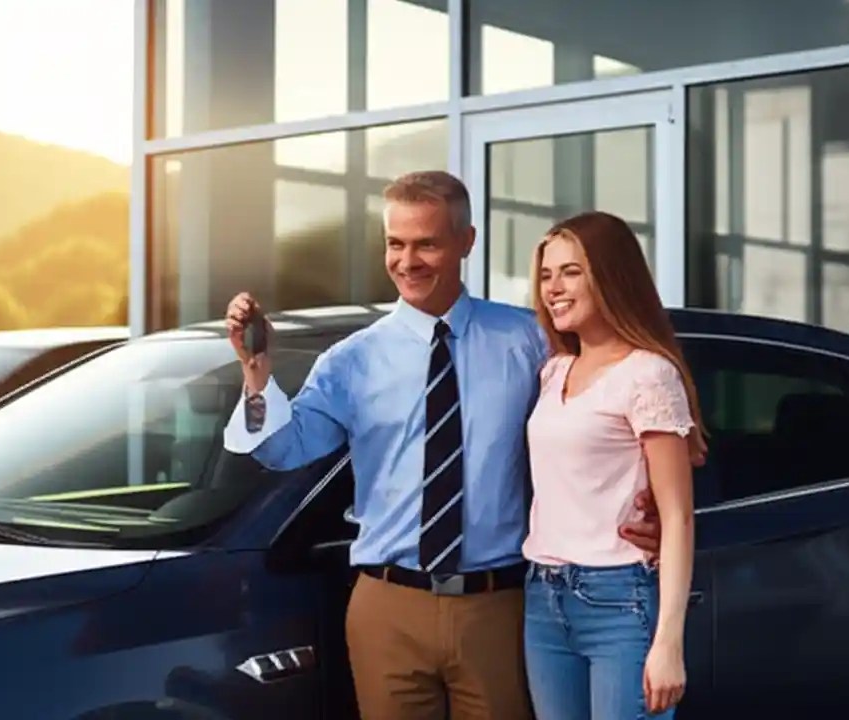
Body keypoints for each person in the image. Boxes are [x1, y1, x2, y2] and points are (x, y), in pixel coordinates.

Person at [221, 170, 663, 720]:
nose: (408, 261)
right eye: (395, 244)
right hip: (387, 608)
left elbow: (608, 419)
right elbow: (283, 448)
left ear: (466, 242)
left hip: (499, 607)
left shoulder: (530, 340)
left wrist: (652, 502)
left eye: (426, 243)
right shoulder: (351, 360)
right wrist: (257, 376)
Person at [521, 211, 706, 719]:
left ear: (610, 275)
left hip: (620, 602)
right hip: (543, 598)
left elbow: (677, 517)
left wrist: (669, 640)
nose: (553, 288)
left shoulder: (648, 374)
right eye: (545, 274)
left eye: (571, 272)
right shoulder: (554, 371)